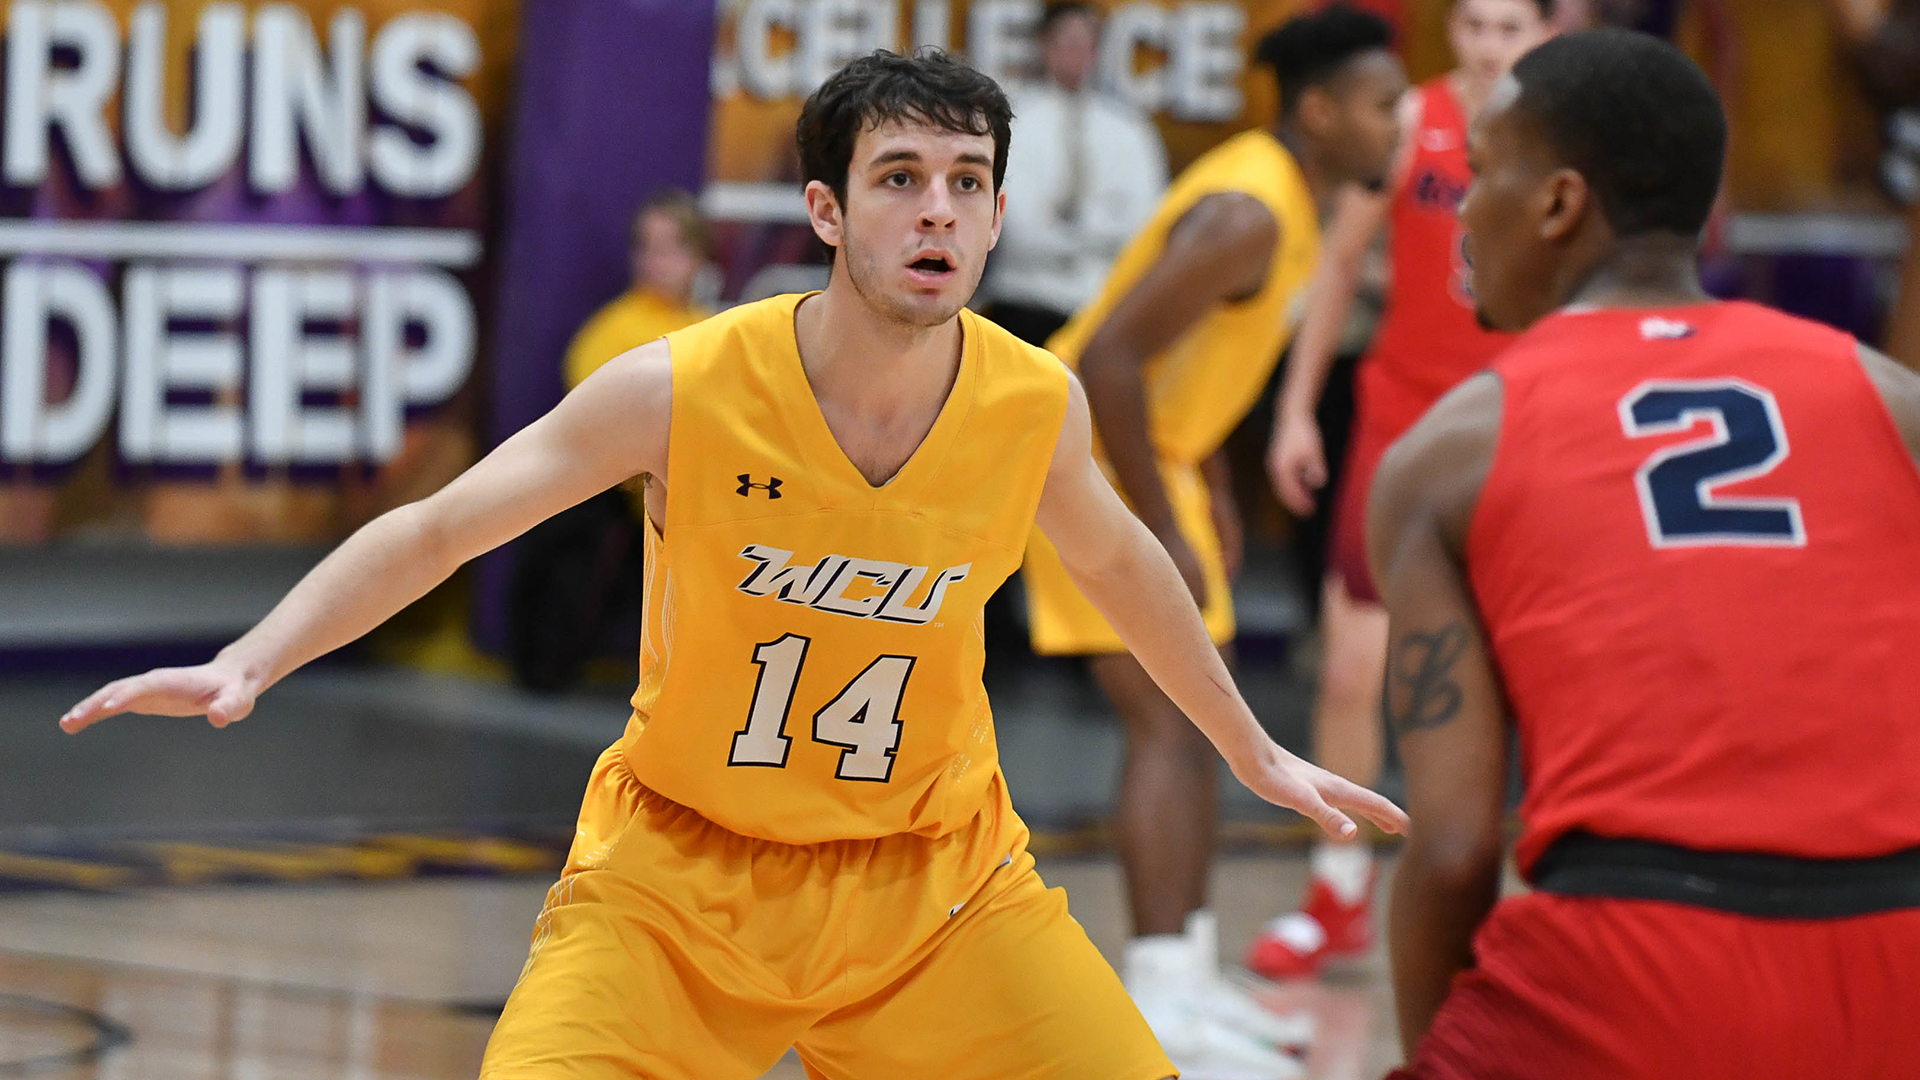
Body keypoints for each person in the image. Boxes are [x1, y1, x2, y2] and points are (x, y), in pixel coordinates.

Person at [57, 50, 1406, 1080]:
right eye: (899, 181)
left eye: (965, 185)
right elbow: (443, 526)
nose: (936, 213)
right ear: (826, 210)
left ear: (995, 217)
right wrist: (251, 659)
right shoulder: (683, 386)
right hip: (674, 882)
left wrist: (1250, 749)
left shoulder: (1033, 402)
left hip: (936, 884)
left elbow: (1125, 569)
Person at [1371, 30, 1920, 1079]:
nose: (1460, 208)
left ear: (1558, 205)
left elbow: (1451, 852)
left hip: (1637, 959)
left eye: (1482, 173)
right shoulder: (1893, 399)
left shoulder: (1446, 454)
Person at [1017, 7, 1405, 1073]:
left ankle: (1184, 978)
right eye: (1382, 106)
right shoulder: (1248, 209)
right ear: (1319, 113)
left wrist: (1210, 482)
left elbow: (1185, 372)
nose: (1400, 125)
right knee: (1170, 726)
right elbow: (1109, 361)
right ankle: (1156, 993)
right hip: (1082, 463)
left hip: (1148, 461)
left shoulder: (1289, 199)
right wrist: (1148, 516)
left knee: (1202, 719)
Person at [1254, 0, 1553, 980]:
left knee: (1528, 686)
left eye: (1508, 28)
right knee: (1348, 672)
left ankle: (1546, 911)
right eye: (1472, 24)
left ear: (1548, 33)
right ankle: (1337, 892)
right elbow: (1339, 262)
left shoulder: (1563, 122)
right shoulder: (1408, 115)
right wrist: (1298, 409)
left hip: (1519, 424)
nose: (1486, 45)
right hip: (1398, 424)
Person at [984, 1, 1168, 347]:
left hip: (1103, 308)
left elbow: (1146, 227)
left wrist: (1071, 224)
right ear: (1044, 46)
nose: (1075, 54)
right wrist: (1103, 225)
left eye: (1085, 43)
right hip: (1025, 304)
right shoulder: (1012, 124)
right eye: (1066, 43)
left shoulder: (1129, 130)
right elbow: (1020, 232)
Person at [563, 188, 712, 390]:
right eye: (647, 245)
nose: (657, 260)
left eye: (672, 246)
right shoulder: (607, 336)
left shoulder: (711, 328)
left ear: (699, 254)